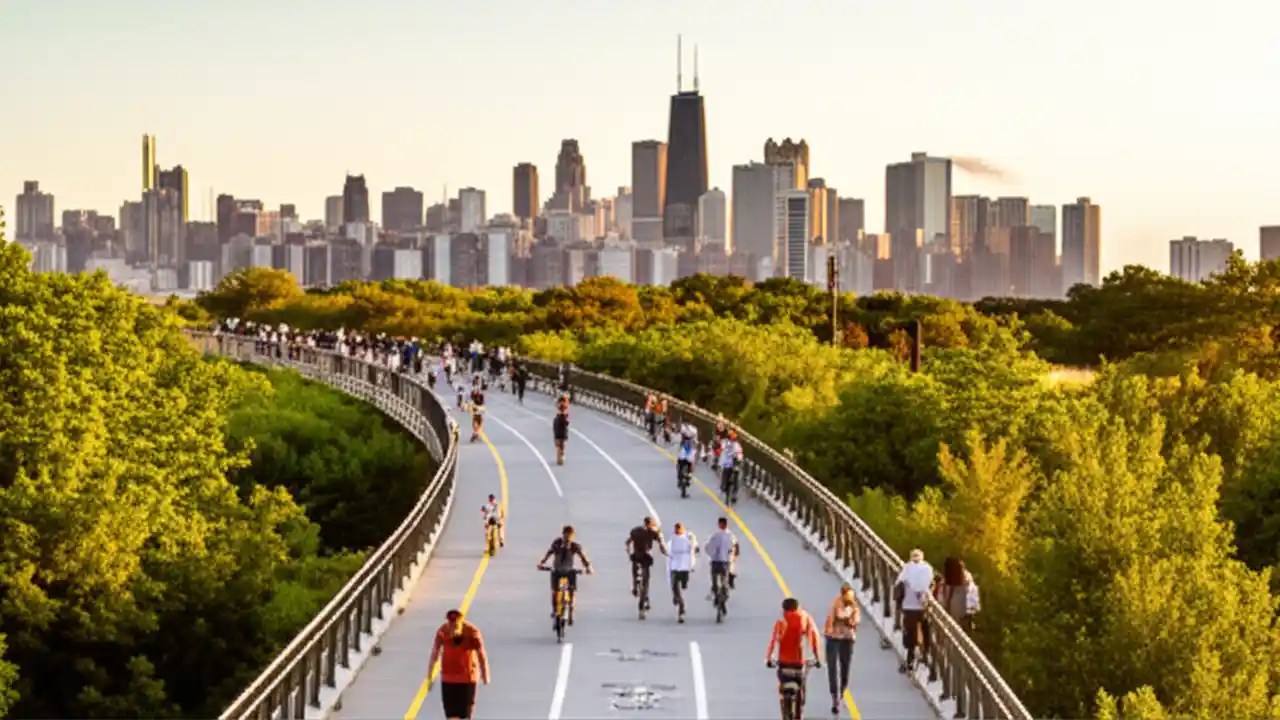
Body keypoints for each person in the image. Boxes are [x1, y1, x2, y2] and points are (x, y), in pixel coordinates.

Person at [429, 609, 489, 720]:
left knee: (465, 715)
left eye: (455, 625)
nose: (452, 628)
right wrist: (430, 675)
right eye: (450, 624)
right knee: (452, 716)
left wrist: (485, 674)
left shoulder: (472, 632)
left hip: (467, 679)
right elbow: (435, 652)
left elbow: (481, 653)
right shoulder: (442, 631)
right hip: (448, 679)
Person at [766, 598, 822, 711]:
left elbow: (773, 641)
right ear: (797, 607)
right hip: (799, 664)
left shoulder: (781, 621)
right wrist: (817, 657)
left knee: (782, 685)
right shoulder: (804, 618)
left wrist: (768, 658)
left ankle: (783, 703)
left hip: (783, 664)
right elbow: (814, 638)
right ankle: (800, 706)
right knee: (801, 684)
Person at [537, 525, 594, 622]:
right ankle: (555, 610)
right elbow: (549, 553)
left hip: (569, 571)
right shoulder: (556, 544)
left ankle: (571, 609)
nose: (567, 538)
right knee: (555, 592)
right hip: (557, 570)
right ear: (562, 534)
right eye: (565, 535)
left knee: (572, 591)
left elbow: (583, 558)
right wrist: (542, 563)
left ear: (572, 537)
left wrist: (588, 567)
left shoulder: (575, 546)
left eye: (569, 536)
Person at [895, 548, 934, 673]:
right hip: (922, 607)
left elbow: (898, 585)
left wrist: (898, 604)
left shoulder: (906, 569)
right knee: (925, 630)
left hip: (908, 606)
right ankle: (925, 654)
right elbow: (931, 584)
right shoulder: (927, 569)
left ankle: (909, 660)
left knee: (909, 634)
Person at [823, 582, 860, 714]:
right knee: (832, 667)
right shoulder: (835, 604)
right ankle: (835, 696)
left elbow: (855, 622)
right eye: (848, 598)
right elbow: (831, 620)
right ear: (843, 595)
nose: (850, 600)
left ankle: (842, 690)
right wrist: (840, 621)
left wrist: (849, 621)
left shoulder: (854, 606)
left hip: (847, 639)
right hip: (833, 638)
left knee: (845, 666)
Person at [626, 516, 668, 607]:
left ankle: (635, 586)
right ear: (651, 524)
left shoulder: (635, 531)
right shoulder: (653, 532)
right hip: (646, 557)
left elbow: (628, 542)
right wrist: (665, 553)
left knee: (634, 571)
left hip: (636, 556)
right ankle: (644, 594)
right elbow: (661, 544)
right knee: (646, 580)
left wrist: (628, 552)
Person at [666, 522, 698, 623]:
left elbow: (693, 550)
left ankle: (677, 597)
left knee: (684, 586)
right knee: (676, 588)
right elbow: (668, 552)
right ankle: (681, 610)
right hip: (675, 567)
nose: (678, 531)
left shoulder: (688, 538)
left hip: (685, 567)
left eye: (679, 529)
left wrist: (692, 564)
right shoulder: (672, 540)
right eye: (676, 529)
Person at [703, 517, 739, 603]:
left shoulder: (715, 535)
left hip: (716, 561)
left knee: (715, 581)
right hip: (726, 562)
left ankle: (716, 595)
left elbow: (708, 547)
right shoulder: (731, 535)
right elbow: (736, 547)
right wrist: (734, 557)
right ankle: (724, 595)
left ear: (719, 524)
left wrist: (710, 554)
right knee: (724, 580)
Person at [718, 430, 744, 504]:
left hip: (735, 462)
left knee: (736, 476)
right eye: (731, 436)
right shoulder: (725, 442)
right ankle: (723, 485)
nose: (732, 438)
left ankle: (734, 494)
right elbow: (723, 449)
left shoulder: (737, 445)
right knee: (725, 473)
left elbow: (739, 453)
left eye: (734, 437)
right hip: (726, 462)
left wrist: (739, 459)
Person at [676, 423, 698, 487]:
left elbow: (695, 441)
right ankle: (689, 476)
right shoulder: (694, 429)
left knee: (681, 462)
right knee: (689, 462)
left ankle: (685, 477)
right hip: (688, 448)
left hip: (687, 448)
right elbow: (696, 441)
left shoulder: (683, 427)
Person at [469, 377, 485, 443]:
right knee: (477, 421)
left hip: (477, 407)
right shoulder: (477, 391)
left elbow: (473, 398)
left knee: (477, 421)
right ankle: (476, 433)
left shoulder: (477, 391)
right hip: (478, 407)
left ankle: (476, 433)